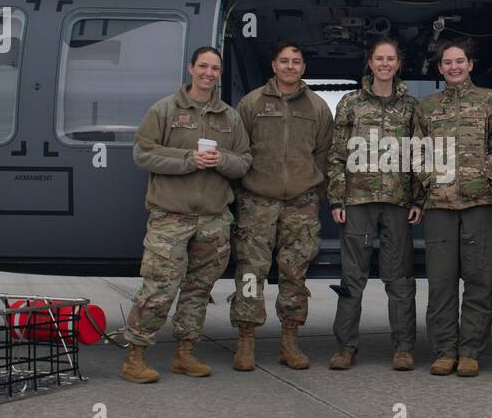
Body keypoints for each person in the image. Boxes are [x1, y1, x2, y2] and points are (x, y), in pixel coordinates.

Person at [122, 46, 251, 384]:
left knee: (198, 290)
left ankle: (185, 353)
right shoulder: (165, 109)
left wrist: (220, 160)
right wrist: (188, 160)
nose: (209, 73)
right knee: (159, 287)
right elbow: (143, 154)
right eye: (203, 66)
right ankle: (135, 356)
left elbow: (244, 163)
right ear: (191, 68)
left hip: (213, 219)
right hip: (171, 217)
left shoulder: (230, 117)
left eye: (215, 68)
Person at [229, 42, 333, 371]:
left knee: (295, 274)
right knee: (250, 272)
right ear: (274, 65)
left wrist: (314, 189)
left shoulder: (317, 107)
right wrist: (242, 191)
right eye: (284, 61)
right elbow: (239, 148)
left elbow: (324, 155)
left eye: (296, 61)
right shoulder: (252, 103)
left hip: (300, 203)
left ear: (303, 68)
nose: (290, 66)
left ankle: (290, 341)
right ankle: (246, 340)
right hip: (257, 200)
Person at [326, 38, 423, 371]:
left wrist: (417, 199)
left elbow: (417, 155)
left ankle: (403, 348)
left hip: (396, 202)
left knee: (399, 279)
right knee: (353, 277)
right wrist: (337, 197)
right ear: (370, 63)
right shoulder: (351, 104)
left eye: (390, 59)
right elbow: (338, 154)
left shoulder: (410, 107)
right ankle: (345, 347)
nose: (384, 64)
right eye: (379, 58)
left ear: (398, 64)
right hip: (358, 200)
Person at [416, 38, 492, 377]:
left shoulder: (490, 101)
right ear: (440, 68)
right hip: (439, 206)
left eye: (459, 61)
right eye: (447, 63)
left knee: (479, 280)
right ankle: (444, 350)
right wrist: (429, 181)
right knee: (441, 282)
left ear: (471, 64)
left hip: (478, 203)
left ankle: (469, 351)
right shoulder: (427, 108)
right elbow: (417, 151)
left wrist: (486, 174)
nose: (454, 67)